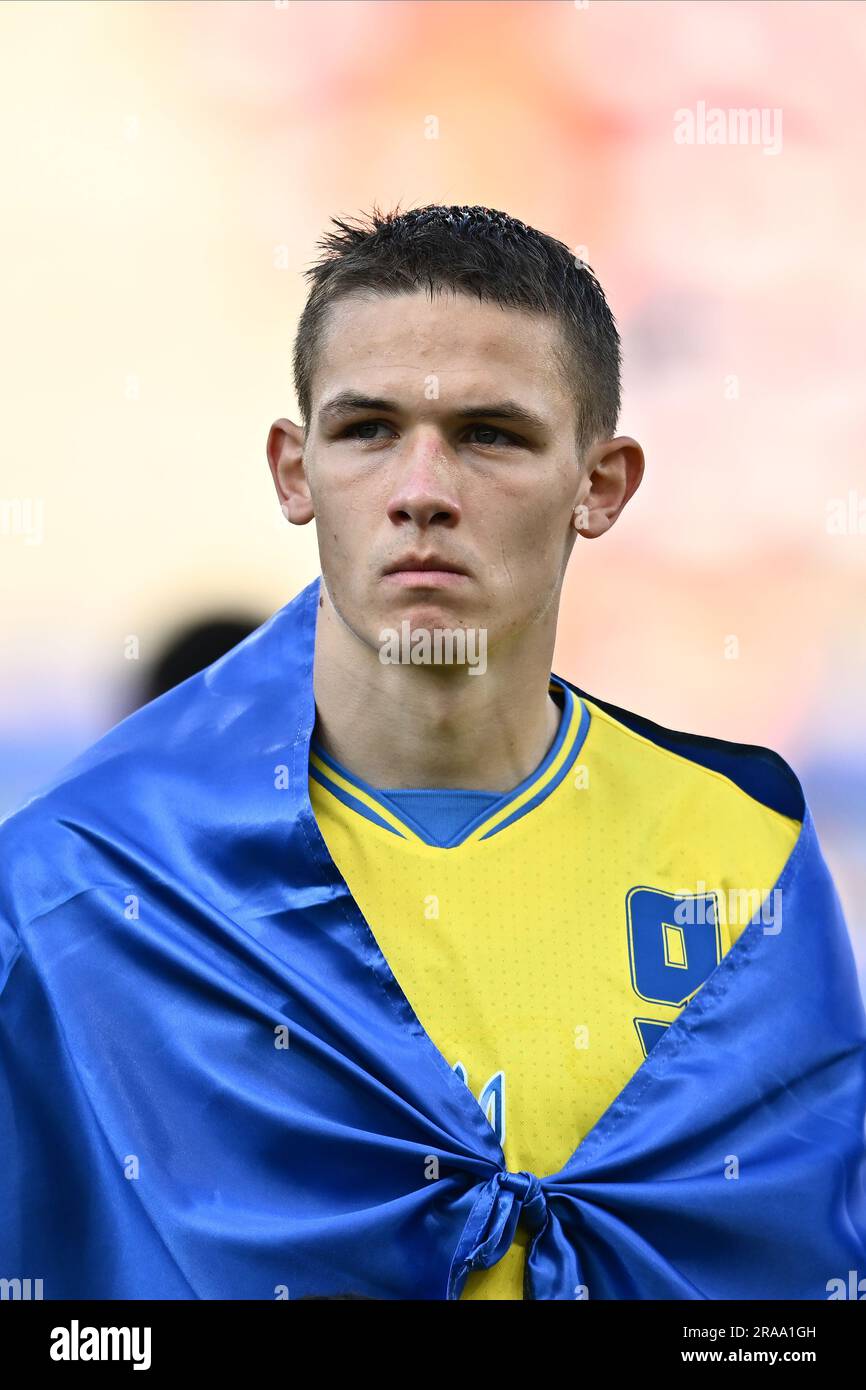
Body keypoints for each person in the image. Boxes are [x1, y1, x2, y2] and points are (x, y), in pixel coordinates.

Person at [1, 204, 864, 1302]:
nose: (420, 491)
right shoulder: (81, 875)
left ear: (599, 484)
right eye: (365, 429)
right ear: (292, 468)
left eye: (488, 434)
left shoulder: (747, 860)